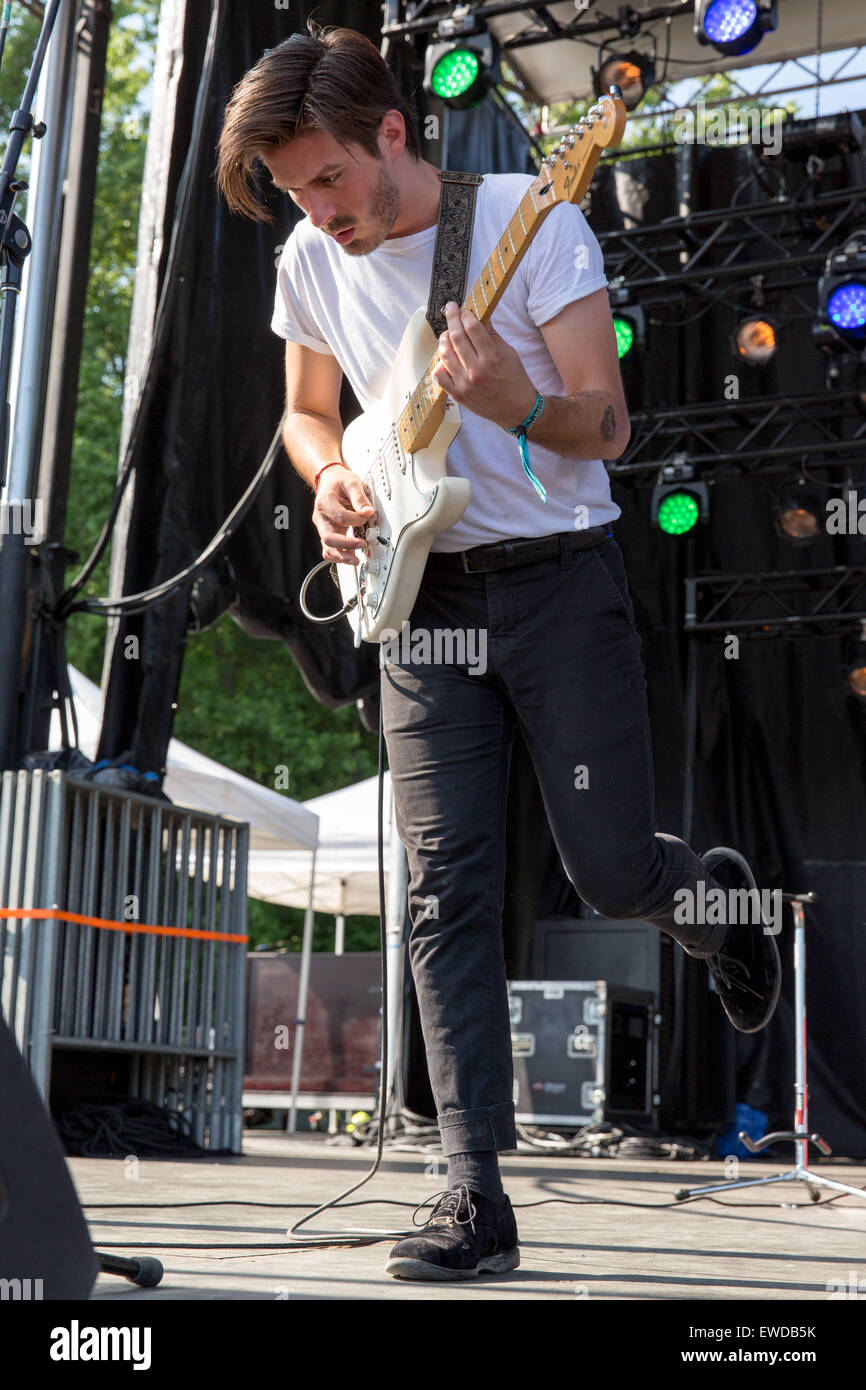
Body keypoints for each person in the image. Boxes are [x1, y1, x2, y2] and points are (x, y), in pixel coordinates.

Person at [217, 20, 781, 1283]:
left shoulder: (535, 220)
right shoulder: (312, 258)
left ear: (392, 135)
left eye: (327, 179)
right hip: (420, 598)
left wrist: (513, 405)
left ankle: (709, 905)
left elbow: (609, 427)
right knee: (443, 891)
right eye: (293, 191)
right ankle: (468, 1193)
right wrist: (326, 487)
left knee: (607, 866)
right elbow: (312, 416)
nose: (316, 212)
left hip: (556, 586)